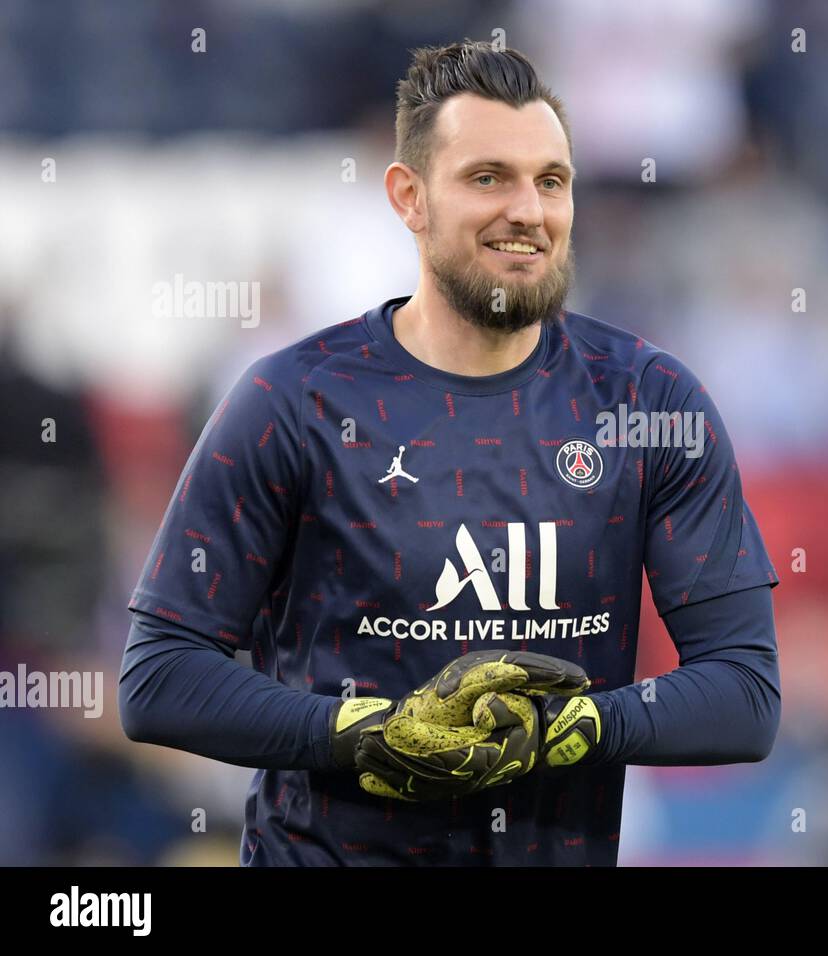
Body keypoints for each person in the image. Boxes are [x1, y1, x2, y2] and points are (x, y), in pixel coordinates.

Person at [118, 40, 781, 866]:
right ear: (410, 197)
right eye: (488, 178)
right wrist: (369, 734)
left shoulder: (649, 402)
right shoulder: (292, 401)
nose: (528, 211)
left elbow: (744, 694)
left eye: (551, 181)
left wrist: (569, 728)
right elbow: (159, 679)